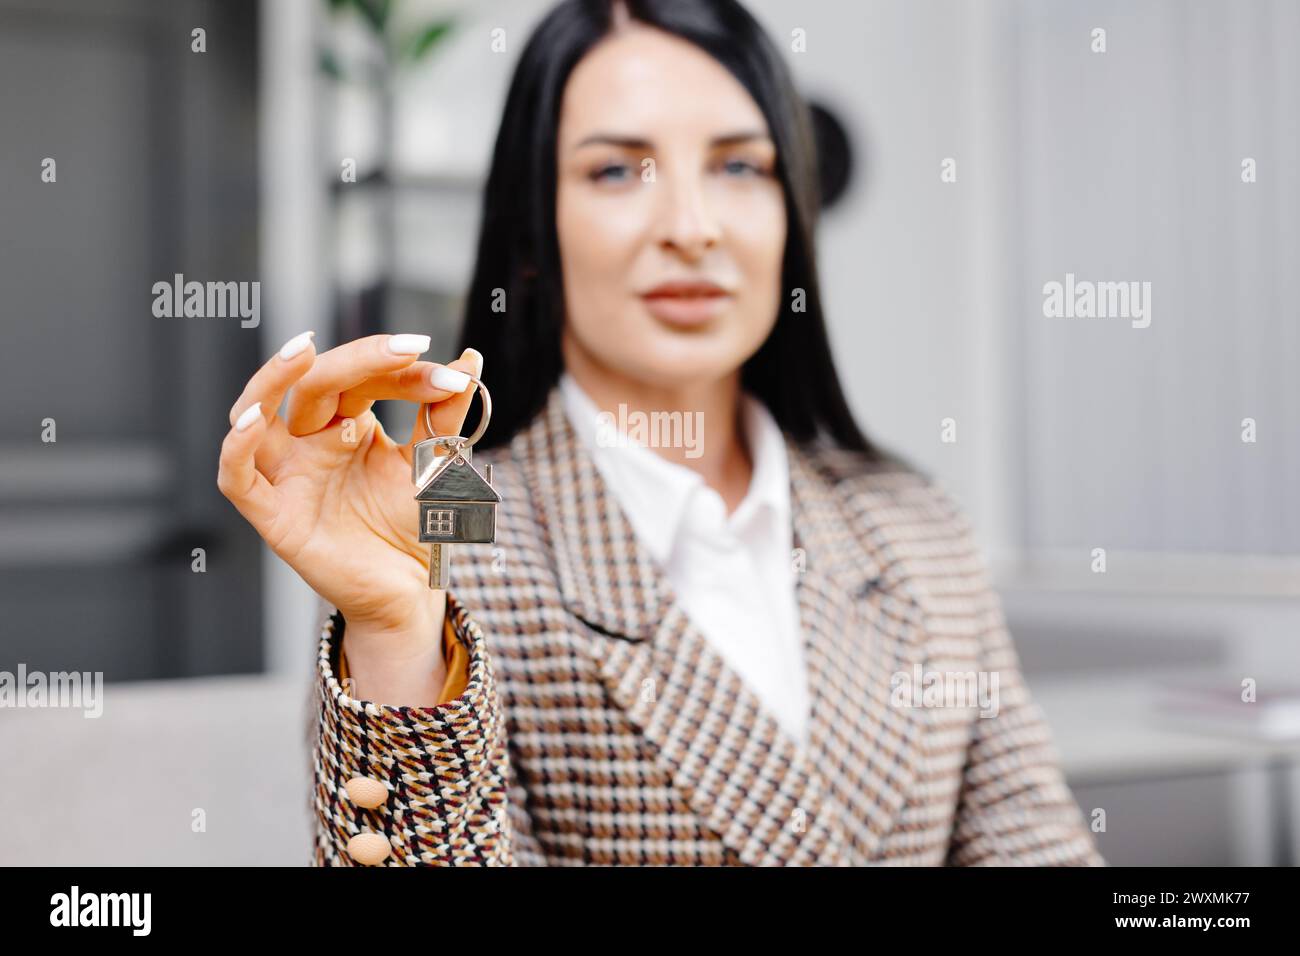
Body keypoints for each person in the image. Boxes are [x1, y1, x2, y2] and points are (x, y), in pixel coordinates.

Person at [218, 0, 1103, 866]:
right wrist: (398, 633)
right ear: (533, 233)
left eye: (741, 168)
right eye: (615, 171)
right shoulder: (451, 540)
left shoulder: (916, 527)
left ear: (791, 218)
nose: (690, 227)